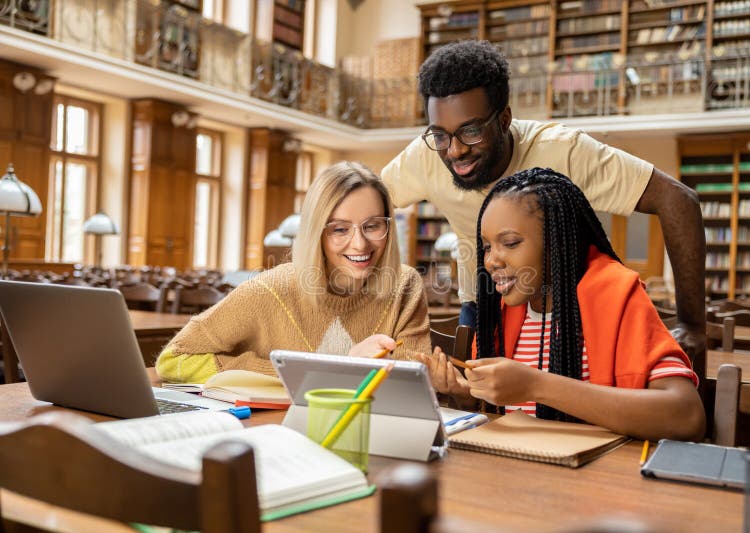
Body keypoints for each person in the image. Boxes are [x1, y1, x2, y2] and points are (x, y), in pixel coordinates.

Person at [381, 40, 705, 364]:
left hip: (566, 307)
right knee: (481, 404)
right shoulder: (424, 156)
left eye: (471, 132)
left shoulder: (562, 151)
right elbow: (361, 201)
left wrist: (691, 324)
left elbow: (678, 200)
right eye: (440, 135)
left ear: (504, 119)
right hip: (485, 305)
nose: (454, 151)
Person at [419, 168, 705, 442]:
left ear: (555, 242)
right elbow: (496, 412)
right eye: (487, 247)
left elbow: (687, 416)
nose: (492, 260)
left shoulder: (617, 295)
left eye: (510, 242)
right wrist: (465, 391)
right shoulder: (502, 309)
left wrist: (537, 385)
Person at [156, 161, 431, 383]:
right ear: (316, 232)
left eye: (372, 226)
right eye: (339, 229)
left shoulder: (405, 285)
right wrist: (289, 371)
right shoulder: (268, 290)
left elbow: (411, 382)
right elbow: (173, 359)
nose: (359, 243)